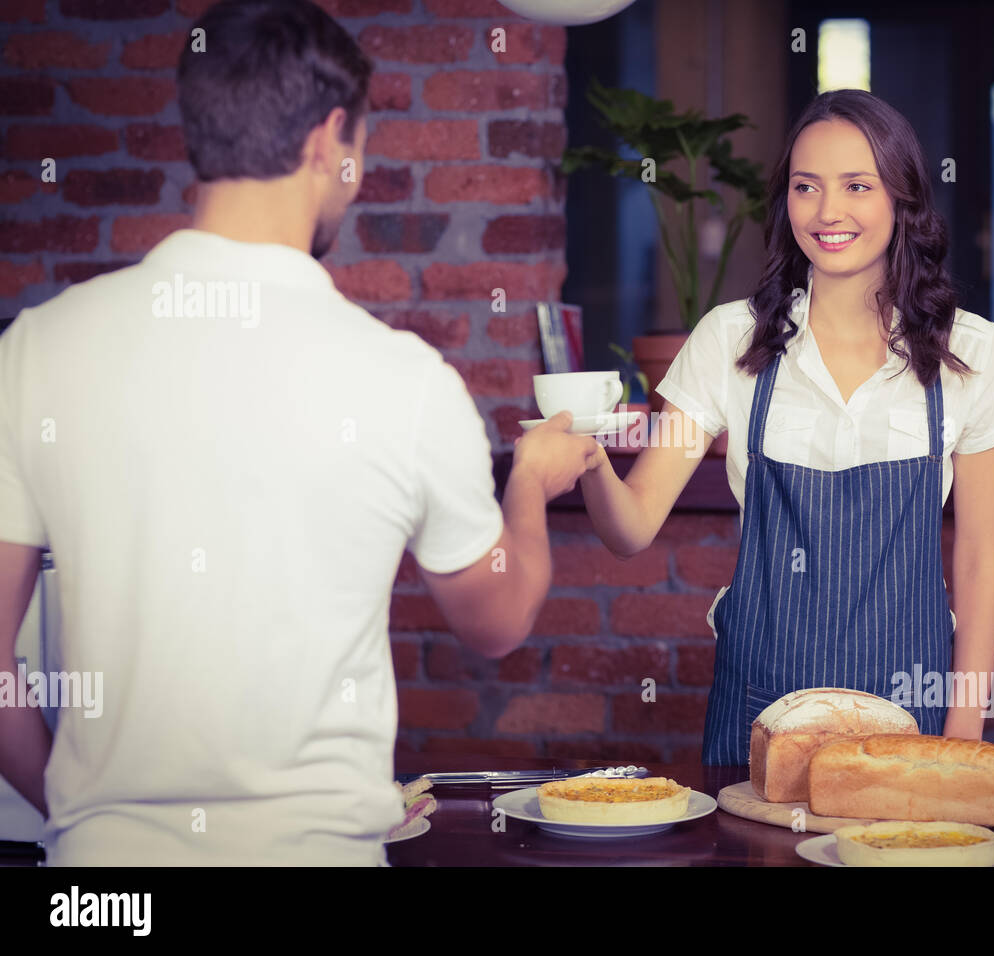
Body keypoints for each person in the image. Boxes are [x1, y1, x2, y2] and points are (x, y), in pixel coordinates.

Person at [0, 0, 597, 864]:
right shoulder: (403, 381)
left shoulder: (34, 353)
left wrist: (85, 817)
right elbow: (498, 621)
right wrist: (529, 487)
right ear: (329, 140)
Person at [579, 89, 994, 764]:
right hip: (757, 720)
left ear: (902, 198)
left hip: (915, 719)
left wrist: (964, 736)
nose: (828, 212)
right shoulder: (727, 340)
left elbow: (979, 559)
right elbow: (632, 526)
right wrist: (588, 457)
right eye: (805, 187)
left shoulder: (974, 352)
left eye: (857, 185)